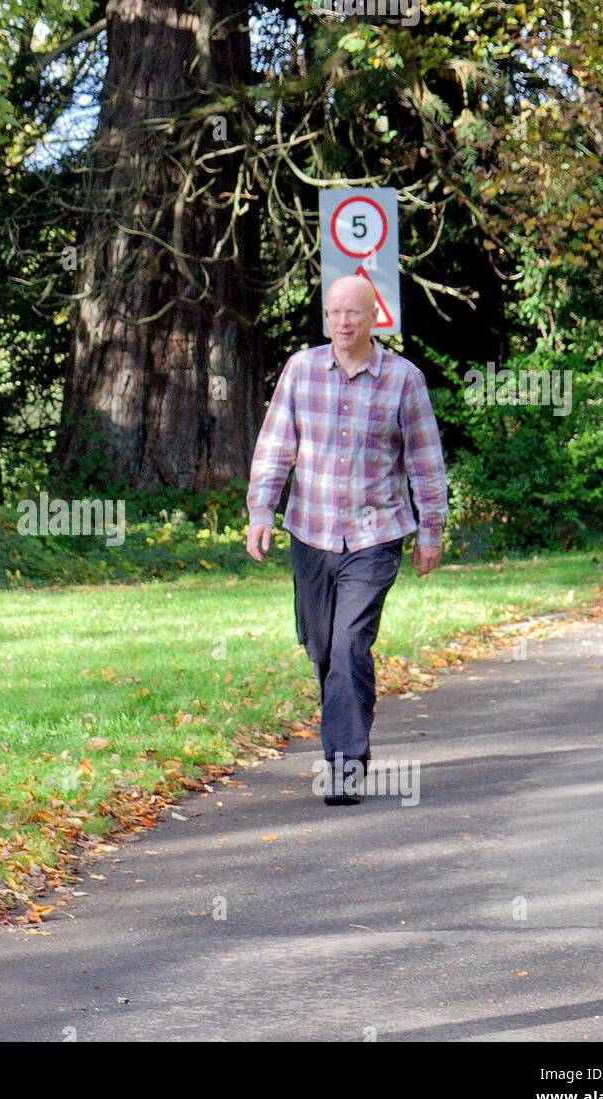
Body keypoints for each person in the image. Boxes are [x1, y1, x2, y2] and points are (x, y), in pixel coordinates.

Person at [245, 275, 447, 805]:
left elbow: (425, 460)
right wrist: (261, 510)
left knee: (350, 643)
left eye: (352, 313)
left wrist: (432, 530)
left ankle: (343, 764)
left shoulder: (403, 379)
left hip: (374, 536)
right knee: (321, 649)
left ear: (373, 316)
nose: (342, 323)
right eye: (334, 313)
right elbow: (275, 445)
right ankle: (348, 735)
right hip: (310, 532)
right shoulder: (302, 369)